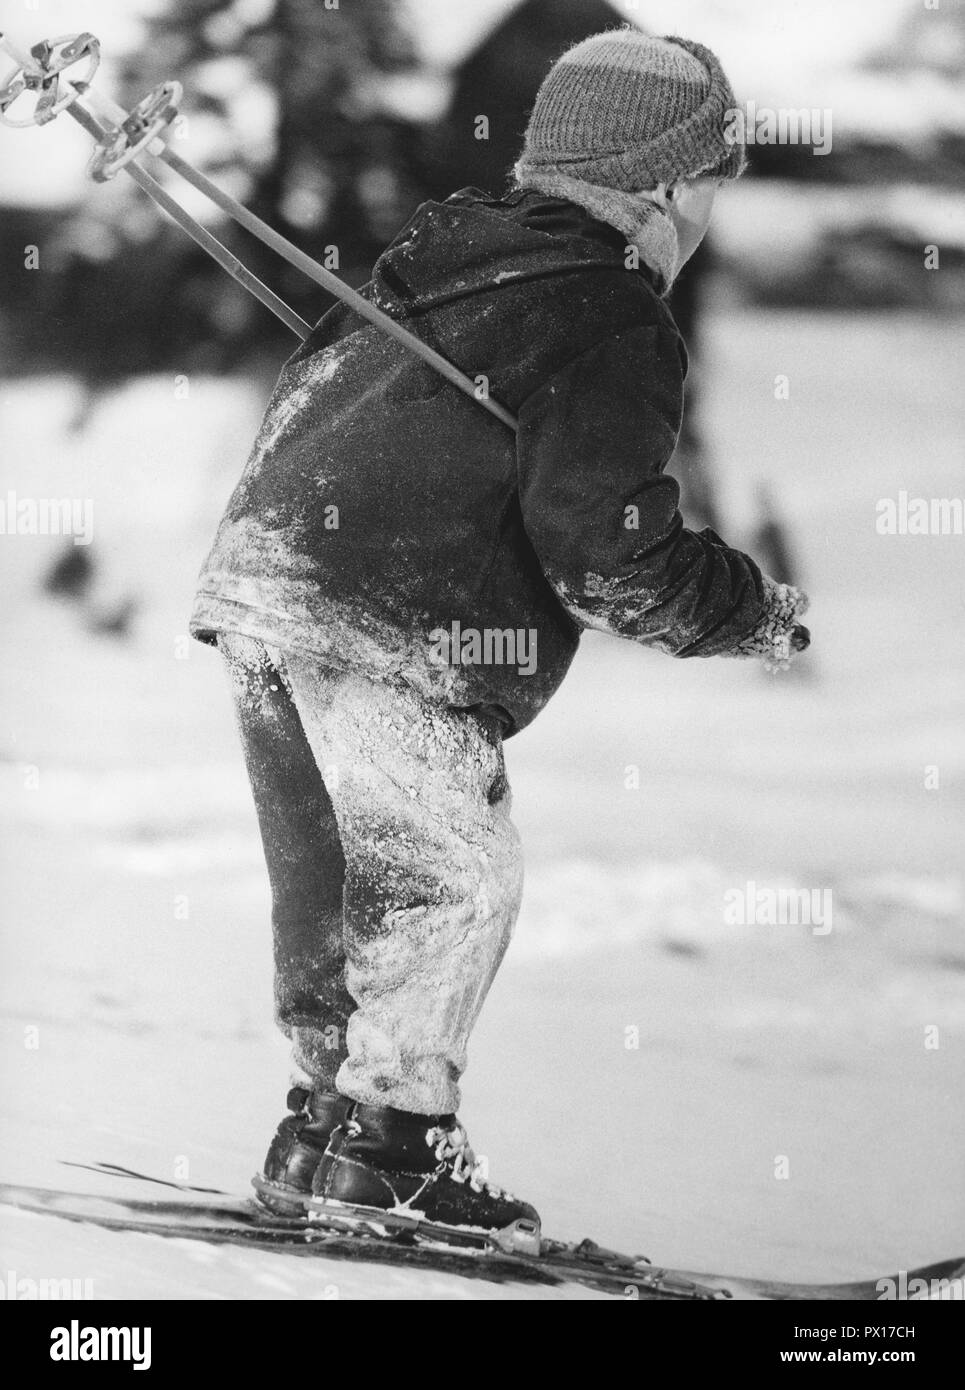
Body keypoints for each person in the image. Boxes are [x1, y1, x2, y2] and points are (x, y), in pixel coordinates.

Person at [190, 29, 810, 1246]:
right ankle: (393, 1148)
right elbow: (607, 551)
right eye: (707, 195)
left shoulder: (442, 254)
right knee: (446, 878)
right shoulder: (609, 310)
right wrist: (745, 607)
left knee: (332, 880)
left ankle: (324, 1127)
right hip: (394, 616)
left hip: (262, 588)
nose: (703, 229)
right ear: (663, 186)